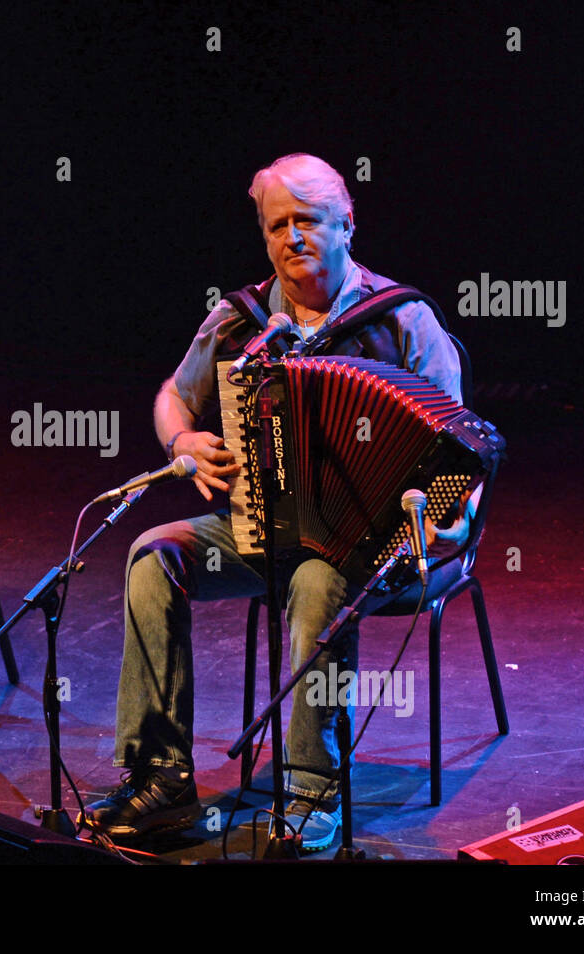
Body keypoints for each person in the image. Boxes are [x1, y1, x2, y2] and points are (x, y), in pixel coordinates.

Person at [82, 153, 471, 850]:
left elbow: (463, 449)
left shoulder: (404, 320)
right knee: (152, 554)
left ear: (347, 224)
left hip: (380, 549)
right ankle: (161, 780)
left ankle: (310, 802)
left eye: (308, 221)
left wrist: (446, 517)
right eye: (276, 225)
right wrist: (184, 441)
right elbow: (174, 393)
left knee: (318, 582)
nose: (292, 237)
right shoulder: (242, 320)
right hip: (266, 525)